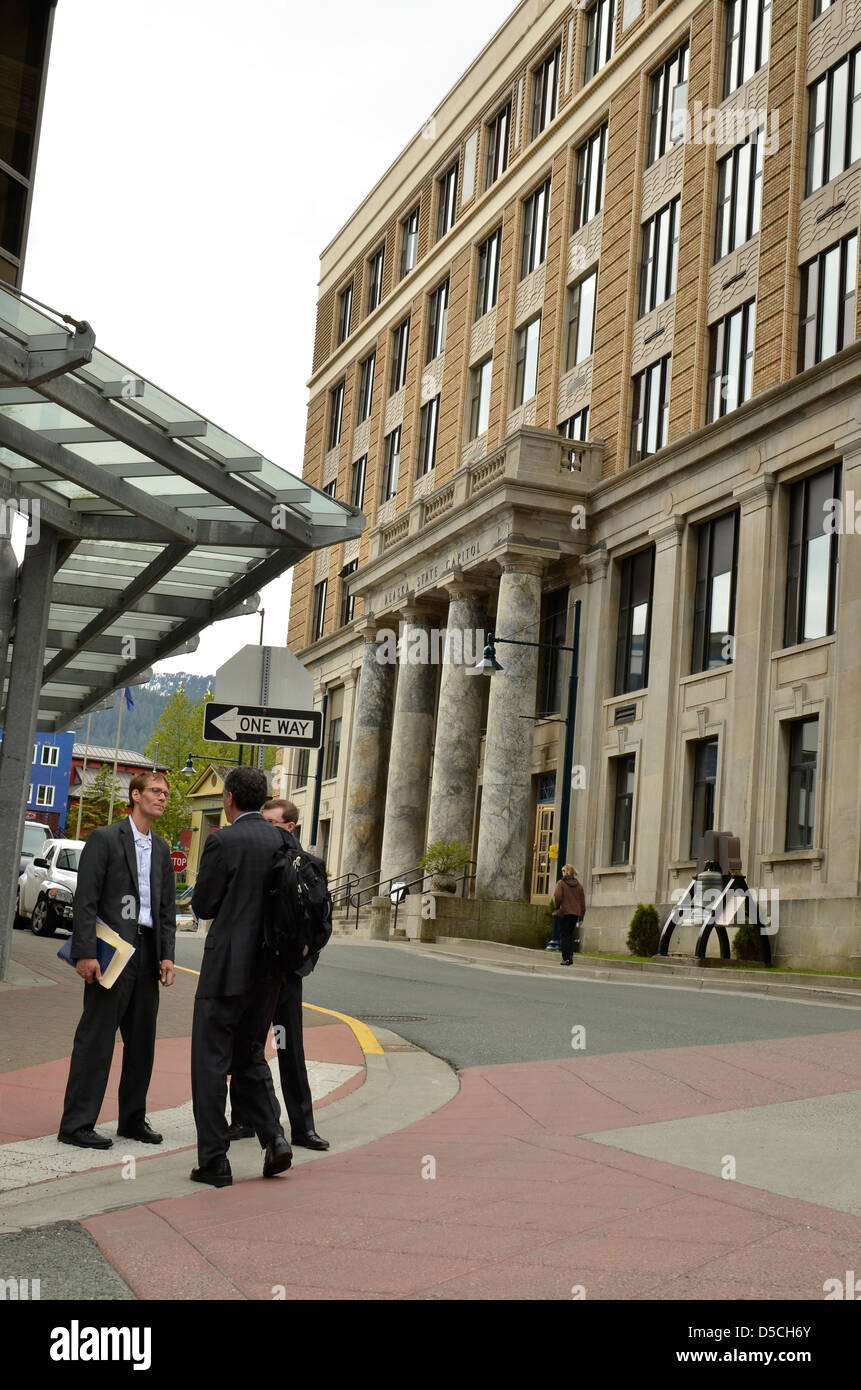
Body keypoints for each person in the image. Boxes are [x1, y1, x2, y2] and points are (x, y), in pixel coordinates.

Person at [58, 771, 176, 1149]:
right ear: (136, 795)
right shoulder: (105, 839)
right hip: (111, 952)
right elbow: (86, 900)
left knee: (142, 1042)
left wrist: (168, 956)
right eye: (156, 792)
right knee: (96, 1039)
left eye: (166, 794)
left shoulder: (162, 849)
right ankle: (76, 1125)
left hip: (147, 953)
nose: (162, 798)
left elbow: (166, 910)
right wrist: (85, 953)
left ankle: (132, 1120)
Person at [189, 766, 292, 1188]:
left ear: (229, 798)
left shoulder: (223, 840)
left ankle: (215, 1161)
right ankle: (275, 1139)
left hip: (226, 969)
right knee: (249, 1053)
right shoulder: (282, 839)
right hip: (268, 972)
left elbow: (204, 905)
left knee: (211, 1062)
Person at [227, 798, 329, 1152]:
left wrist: (303, 959)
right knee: (248, 1045)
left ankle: (303, 1128)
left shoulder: (307, 866)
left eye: (273, 823)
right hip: (256, 967)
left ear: (290, 827)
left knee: (289, 1047)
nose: (266, 829)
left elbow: (318, 919)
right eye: (264, 822)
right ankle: (241, 1119)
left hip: (287, 973)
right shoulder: (259, 858)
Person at [552, 865, 586, 967]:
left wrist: (558, 907)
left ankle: (565, 958)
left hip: (564, 912)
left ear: (566, 872)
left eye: (563, 871)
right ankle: (570, 957)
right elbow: (582, 903)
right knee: (570, 935)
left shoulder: (561, 883)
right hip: (575, 914)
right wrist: (581, 917)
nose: (562, 873)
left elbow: (557, 896)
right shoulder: (579, 886)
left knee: (564, 935)